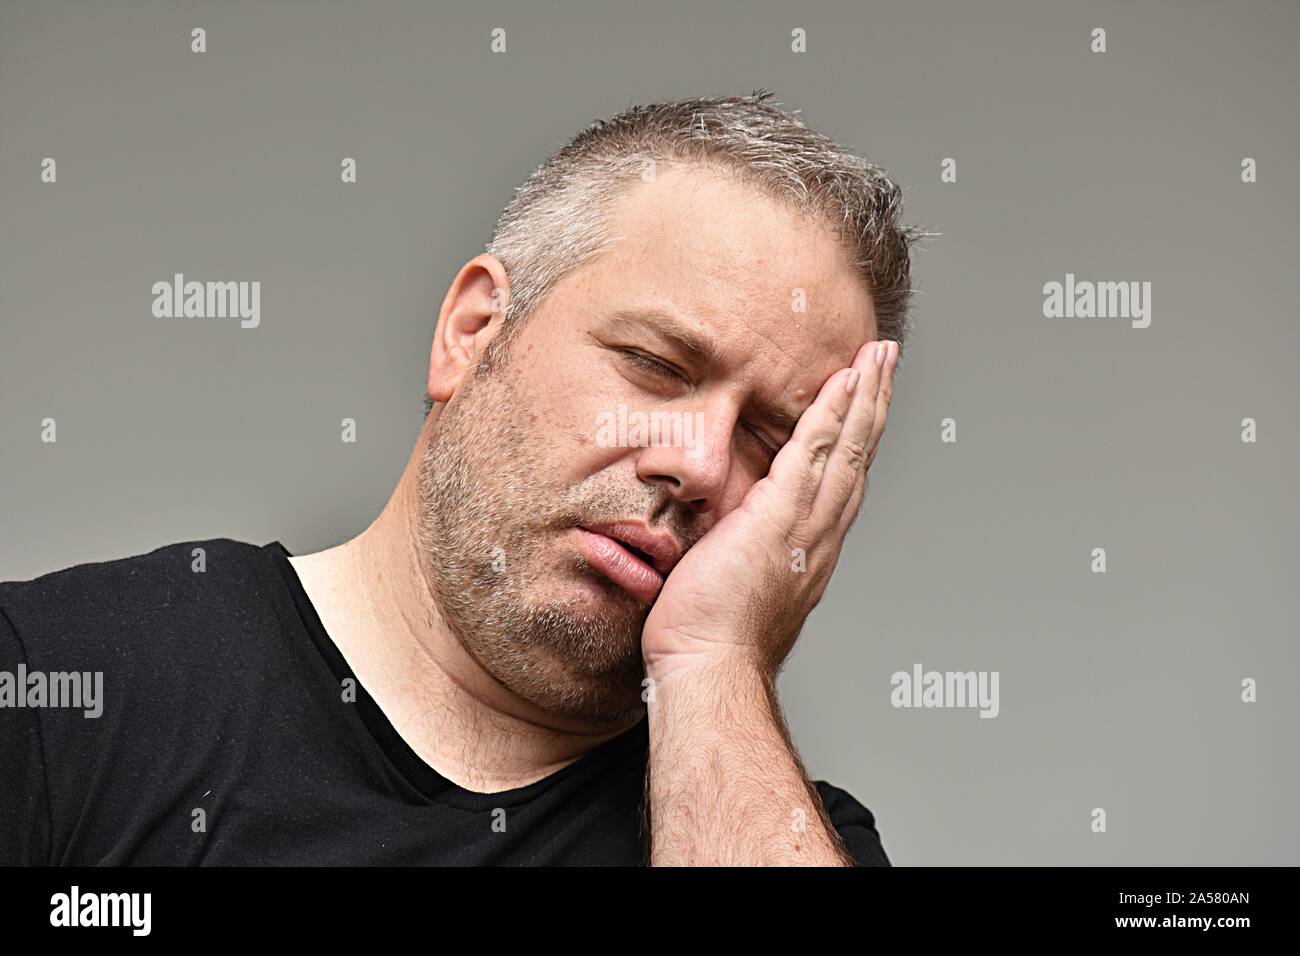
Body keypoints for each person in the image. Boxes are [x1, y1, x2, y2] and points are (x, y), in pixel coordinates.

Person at [0, 92, 920, 865]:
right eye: (655, 364)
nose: (701, 465)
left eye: (772, 438)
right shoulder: (58, 688)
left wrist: (713, 664)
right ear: (474, 331)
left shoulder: (787, 832)